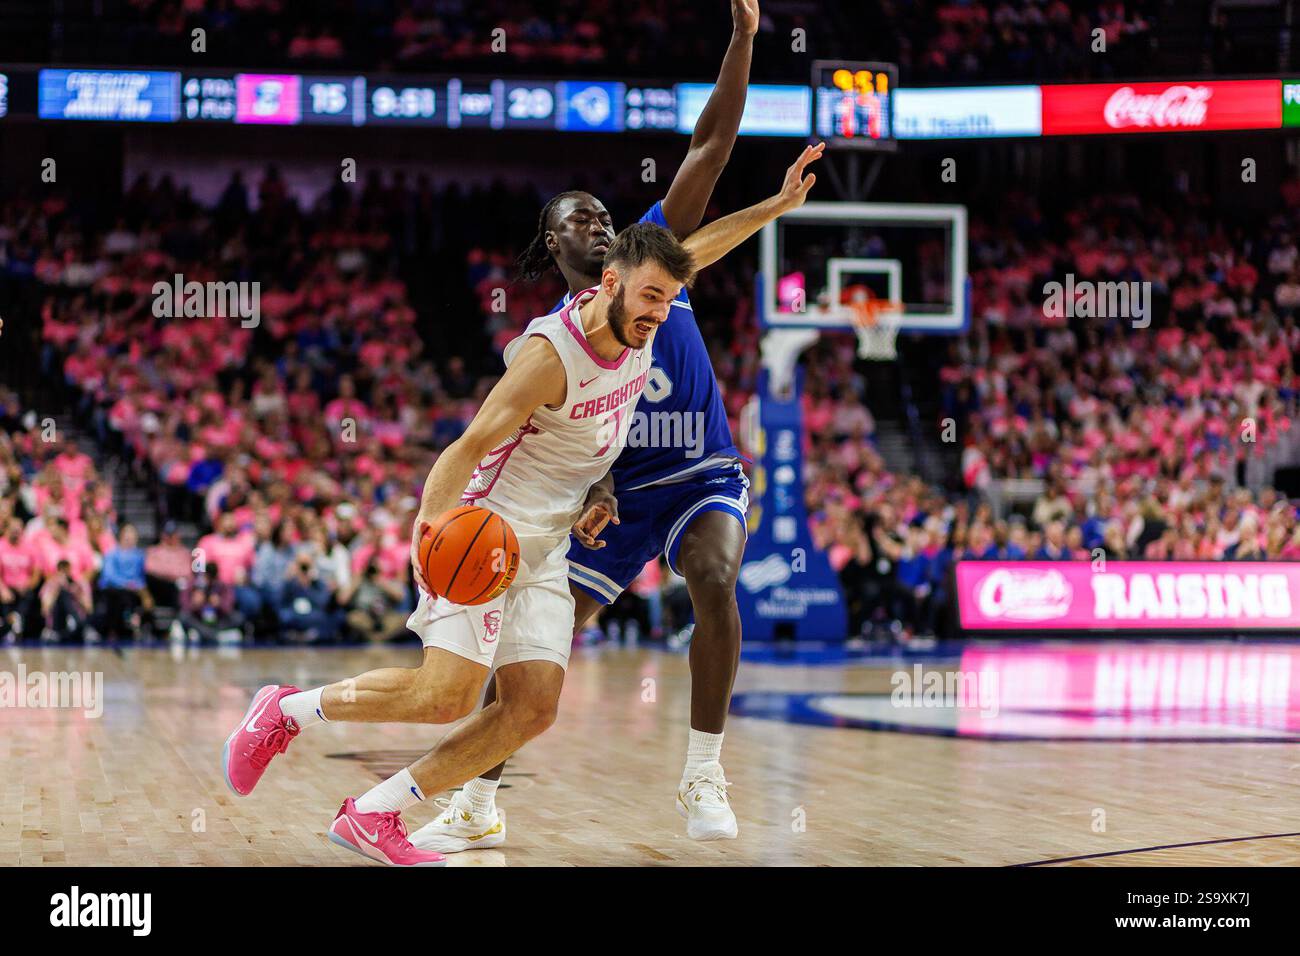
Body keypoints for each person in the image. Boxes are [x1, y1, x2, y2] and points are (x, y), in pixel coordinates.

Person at [442, 0, 767, 847]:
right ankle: (476, 800)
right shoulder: (552, 340)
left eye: (599, 212)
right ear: (554, 247)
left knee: (715, 578)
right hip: (614, 496)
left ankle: (702, 775)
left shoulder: (658, 249)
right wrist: (595, 484)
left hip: (699, 473)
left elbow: (710, 147)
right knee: (535, 660)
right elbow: (547, 439)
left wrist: (739, 39)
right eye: (575, 219)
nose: (596, 221)